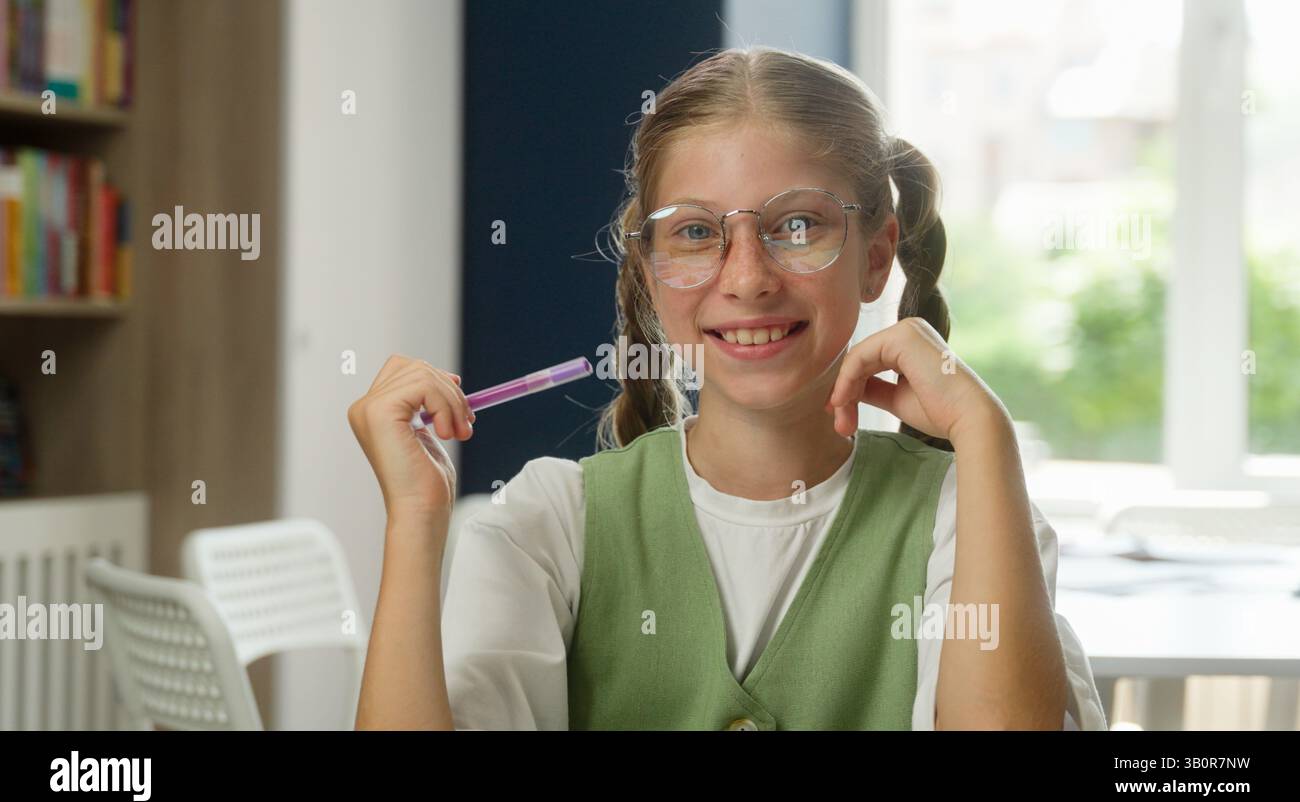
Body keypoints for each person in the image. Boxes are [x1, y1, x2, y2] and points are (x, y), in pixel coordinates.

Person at [349, 47, 1107, 730]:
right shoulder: (549, 524)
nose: (747, 277)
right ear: (651, 272)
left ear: (876, 257)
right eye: (696, 232)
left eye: (800, 225)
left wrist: (985, 432)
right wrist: (414, 522)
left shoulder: (967, 516)